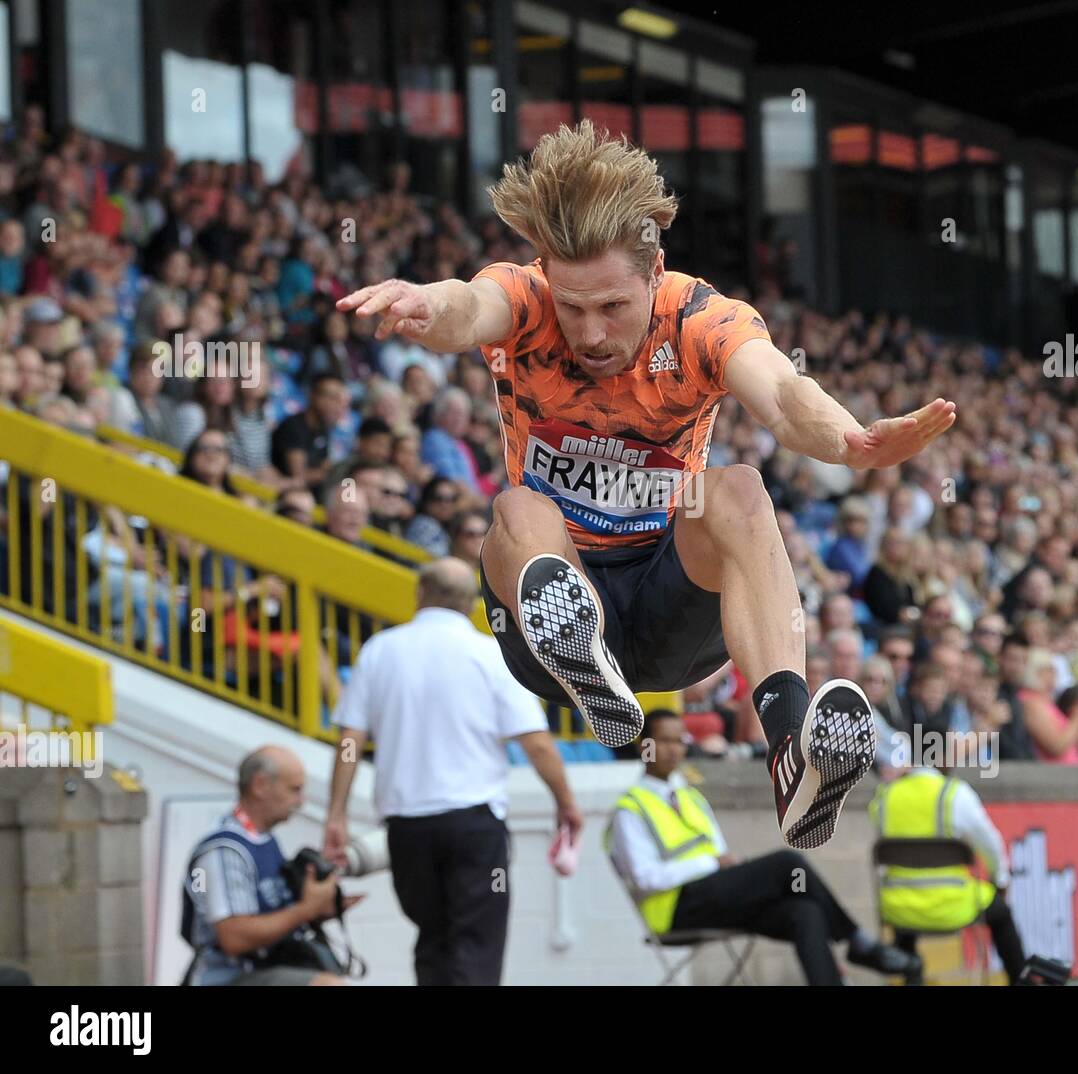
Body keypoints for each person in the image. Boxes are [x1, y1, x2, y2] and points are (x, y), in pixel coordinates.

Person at [338, 120, 957, 850]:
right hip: (550, 599)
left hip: (669, 605)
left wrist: (851, 443)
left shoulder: (702, 320)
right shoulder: (525, 298)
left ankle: (792, 754)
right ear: (546, 275)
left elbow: (785, 395)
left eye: (612, 307)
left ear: (655, 272)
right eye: (573, 307)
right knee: (517, 505)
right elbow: (468, 309)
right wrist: (425, 304)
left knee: (739, 490)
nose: (591, 333)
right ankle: (580, 645)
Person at [325, 559, 582, 986]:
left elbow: (350, 740)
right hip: (472, 824)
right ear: (471, 603)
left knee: (433, 939)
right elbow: (535, 742)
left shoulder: (379, 650)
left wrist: (336, 813)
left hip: (406, 827)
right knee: (476, 943)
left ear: (420, 593)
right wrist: (566, 804)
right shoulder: (490, 655)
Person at [606, 709, 920, 986]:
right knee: (787, 864)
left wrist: (725, 866)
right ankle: (856, 939)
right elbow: (646, 878)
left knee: (804, 910)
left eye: (679, 740)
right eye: (664, 741)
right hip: (673, 910)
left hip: (713, 898)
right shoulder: (631, 809)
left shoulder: (692, 798)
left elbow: (721, 856)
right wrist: (712, 864)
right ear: (644, 746)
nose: (674, 749)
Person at [180, 745, 358, 986]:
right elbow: (234, 937)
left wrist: (324, 907)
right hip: (229, 976)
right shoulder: (225, 851)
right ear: (260, 785)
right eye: (294, 790)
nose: (301, 802)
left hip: (270, 968)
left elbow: (273, 915)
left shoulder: (263, 840)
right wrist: (307, 909)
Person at [868, 744, 1028, 984]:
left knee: (905, 929)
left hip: (897, 907)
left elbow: (878, 822)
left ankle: (912, 977)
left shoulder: (886, 795)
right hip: (952, 906)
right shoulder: (955, 793)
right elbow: (990, 843)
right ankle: (1020, 980)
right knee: (1001, 914)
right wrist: (1001, 880)